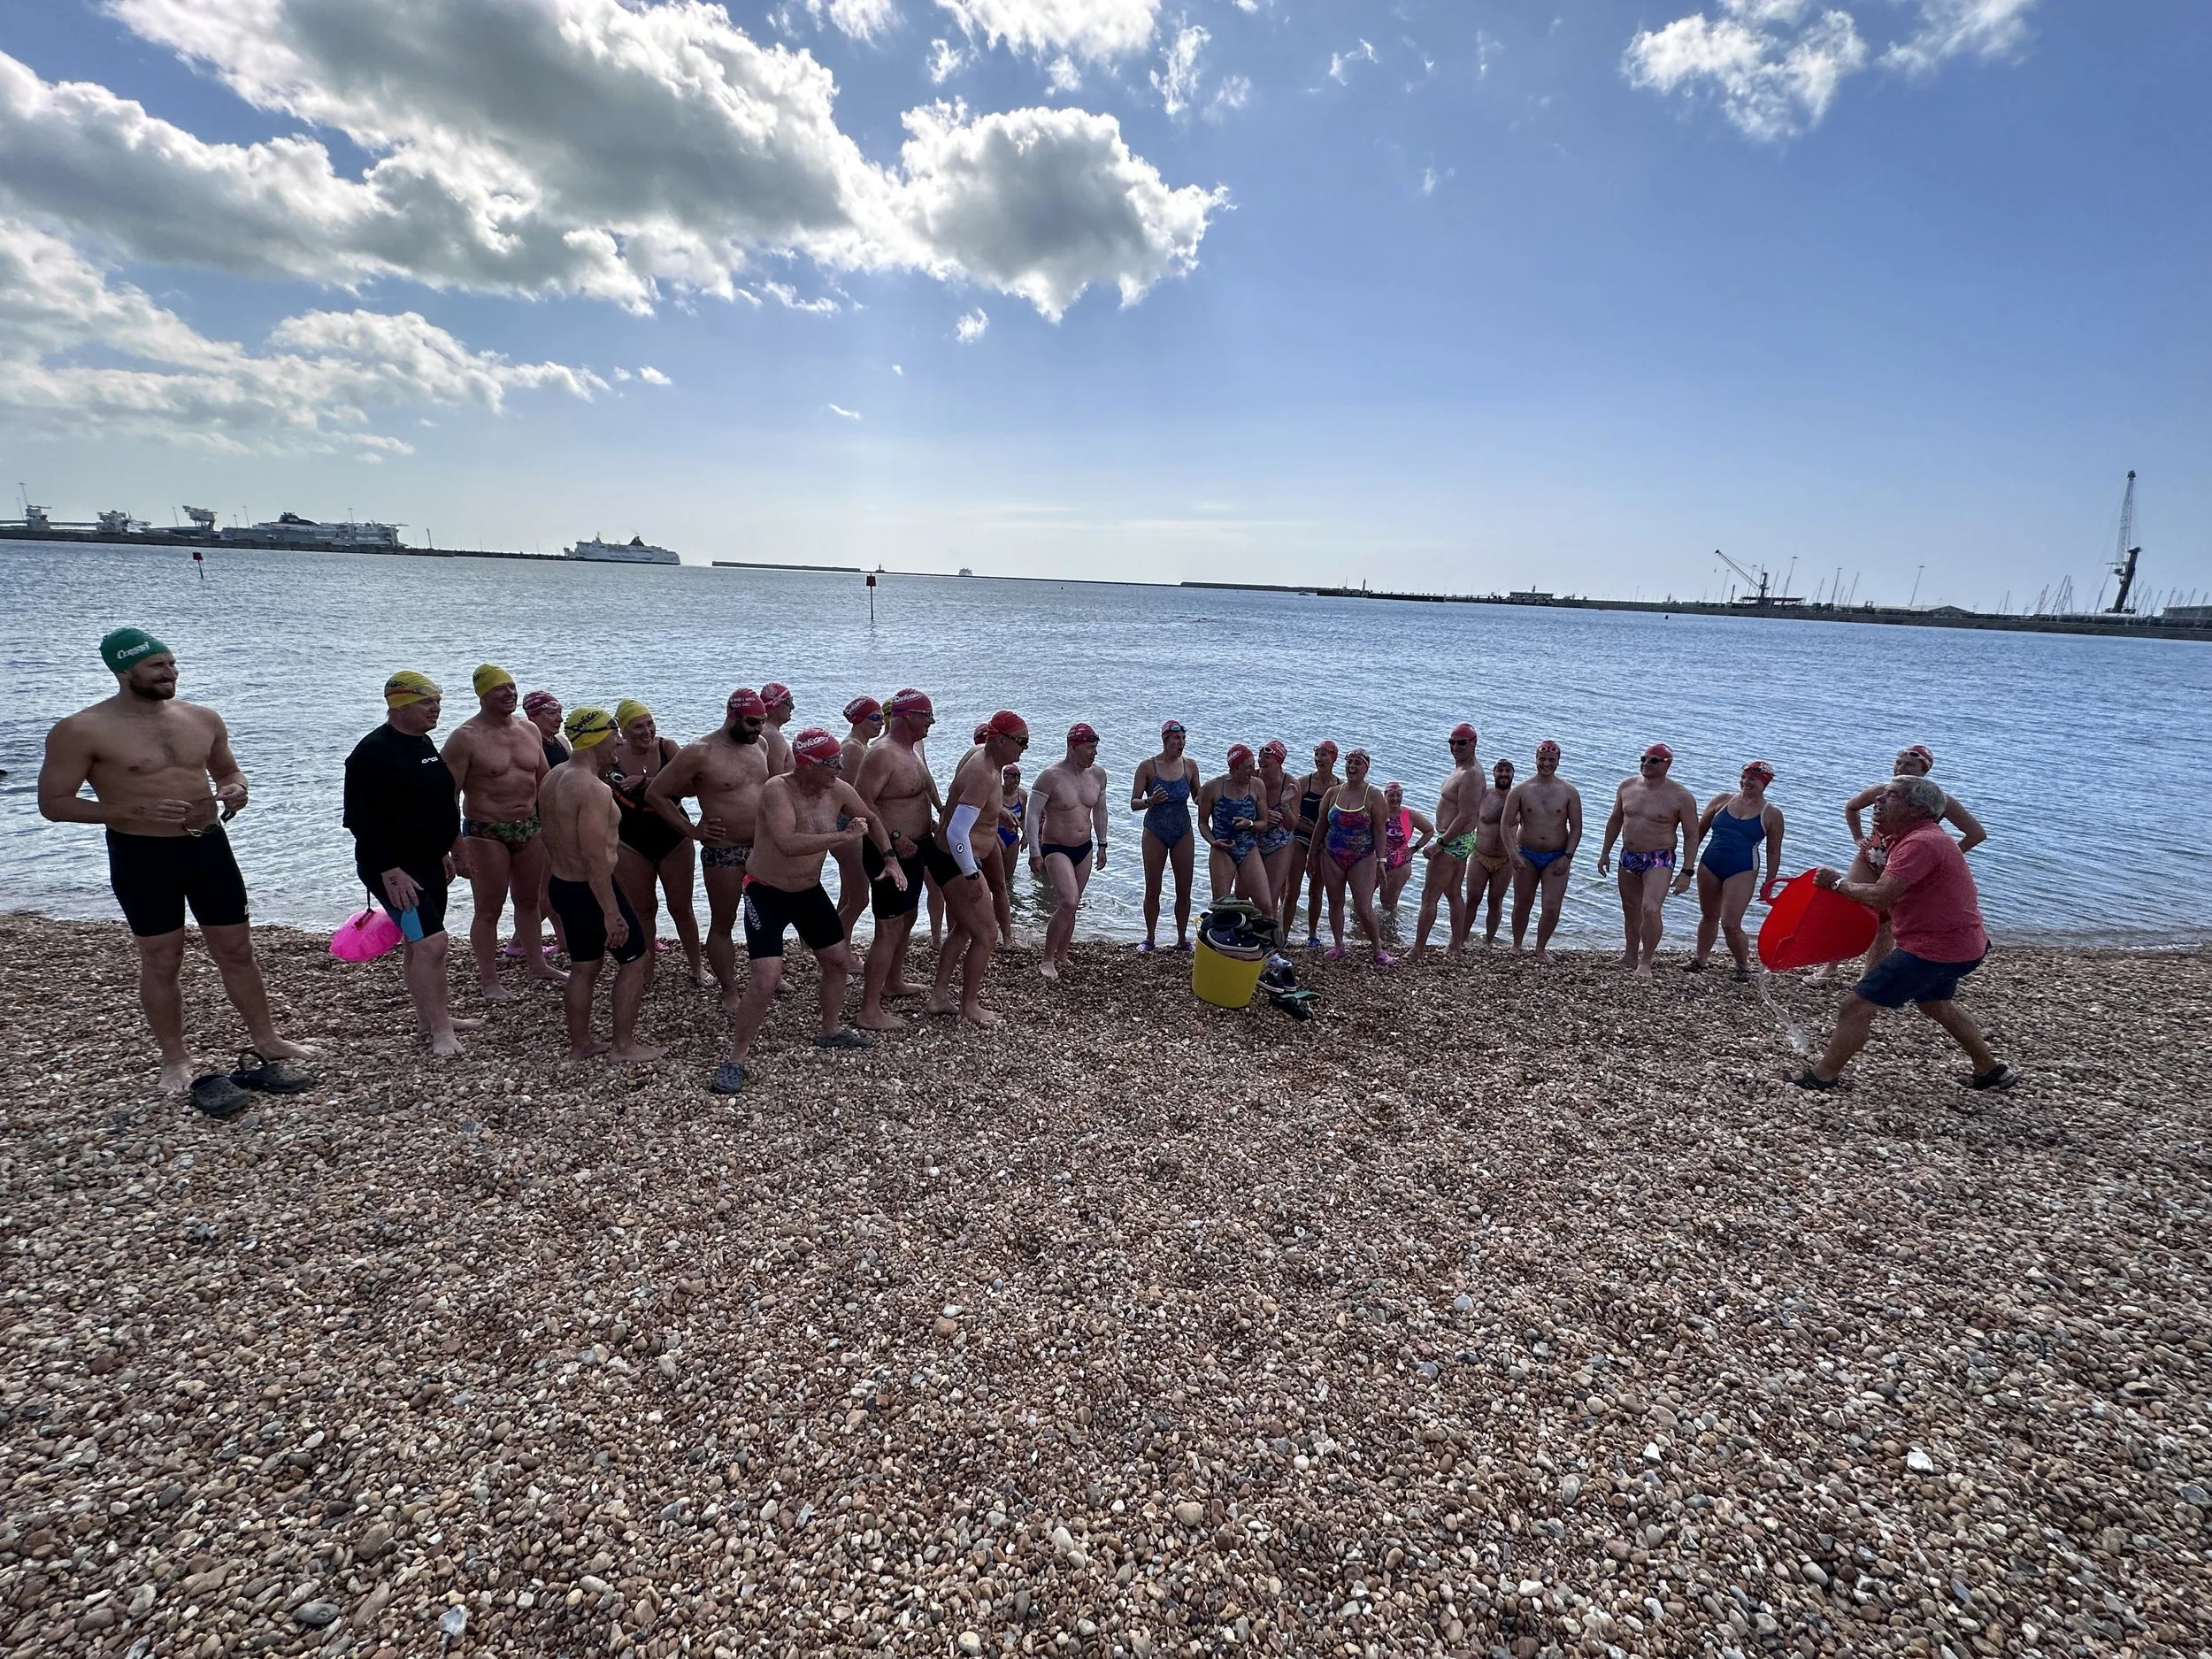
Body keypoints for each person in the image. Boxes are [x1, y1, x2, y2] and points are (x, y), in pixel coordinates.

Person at [38, 627, 312, 1092]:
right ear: (123, 671)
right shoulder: (81, 729)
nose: (170, 673)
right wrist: (132, 810)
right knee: (162, 957)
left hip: (207, 845)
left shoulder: (201, 717)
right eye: (156, 666)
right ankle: (174, 1058)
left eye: (171, 663)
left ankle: (268, 1040)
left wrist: (237, 789)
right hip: (141, 852)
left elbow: (228, 769)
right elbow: (55, 803)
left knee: (237, 950)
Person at [1798, 774, 2016, 1093]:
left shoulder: (1920, 843)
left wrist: (1836, 884)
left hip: (1935, 950)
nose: (1879, 801)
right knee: (1935, 1004)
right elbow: (1889, 903)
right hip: (1963, 944)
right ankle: (1991, 1071)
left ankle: (1823, 1075)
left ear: (1917, 810)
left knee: (1855, 1005)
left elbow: (1880, 896)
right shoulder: (1914, 838)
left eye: (1892, 796)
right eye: (1882, 794)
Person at [711, 727, 879, 1094]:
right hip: (766, 891)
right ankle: (736, 1058)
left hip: (808, 891)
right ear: (808, 764)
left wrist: (892, 859)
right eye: (831, 763)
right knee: (766, 979)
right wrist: (843, 836)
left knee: (836, 960)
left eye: (839, 760)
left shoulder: (838, 790)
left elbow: (870, 817)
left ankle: (831, 1030)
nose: (838, 768)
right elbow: (787, 843)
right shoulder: (777, 790)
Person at [342, 671, 473, 1058]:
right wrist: (390, 871)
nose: (435, 709)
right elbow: (358, 821)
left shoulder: (425, 743)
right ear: (398, 705)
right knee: (433, 943)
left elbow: (440, 801)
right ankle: (441, 1032)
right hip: (394, 870)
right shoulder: (372, 752)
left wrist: (453, 844)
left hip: (429, 861)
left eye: (437, 702)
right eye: (425, 702)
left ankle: (432, 1018)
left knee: (421, 945)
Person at [539, 707, 667, 1063]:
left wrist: (545, 890)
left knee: (584, 966)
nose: (620, 741)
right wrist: (612, 912)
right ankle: (622, 1047)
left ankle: (580, 1046)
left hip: (564, 885)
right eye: (615, 735)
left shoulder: (553, 778)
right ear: (597, 738)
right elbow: (595, 857)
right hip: (592, 890)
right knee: (635, 962)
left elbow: (548, 839)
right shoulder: (593, 789)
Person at [440, 664, 562, 1002]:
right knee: (489, 908)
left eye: (511, 686)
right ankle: (489, 980)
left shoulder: (529, 731)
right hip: (485, 831)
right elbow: (446, 796)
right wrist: (455, 846)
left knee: (529, 901)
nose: (509, 693)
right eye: (500, 688)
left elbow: (545, 782)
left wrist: (559, 826)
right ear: (482, 694)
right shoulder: (465, 738)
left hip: (529, 826)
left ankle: (536, 964)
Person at [645, 688, 771, 1006]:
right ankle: (729, 989)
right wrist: (692, 830)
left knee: (768, 919)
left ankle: (768, 978)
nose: (759, 729)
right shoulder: (700, 752)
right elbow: (657, 793)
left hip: (762, 848)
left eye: (763, 722)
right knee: (723, 922)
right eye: (754, 722)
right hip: (724, 851)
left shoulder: (761, 745)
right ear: (733, 716)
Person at [1829, 743, 1989, 978]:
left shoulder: (1939, 800)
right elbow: (1851, 807)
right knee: (1847, 909)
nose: (1901, 768)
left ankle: (1869, 977)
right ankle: (1829, 966)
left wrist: (1943, 859)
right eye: (1898, 763)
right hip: (1870, 858)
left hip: (1904, 864)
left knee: (1883, 923)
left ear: (1925, 770)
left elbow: (1976, 834)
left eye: (1910, 765)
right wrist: (1858, 838)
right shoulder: (1884, 792)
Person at [854, 689, 958, 1032]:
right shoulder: (881, 755)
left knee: (907, 917)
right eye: (928, 715)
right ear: (908, 717)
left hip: (918, 846)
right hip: (889, 852)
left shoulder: (910, 751)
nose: (932, 722)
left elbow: (919, 795)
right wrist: (895, 839)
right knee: (887, 927)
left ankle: (893, 981)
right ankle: (869, 1010)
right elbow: (861, 804)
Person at [926, 710, 1028, 1026]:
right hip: (957, 861)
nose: (1024, 749)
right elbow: (957, 831)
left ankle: (939, 996)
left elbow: (964, 805)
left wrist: (998, 814)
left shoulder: (981, 757)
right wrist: (972, 875)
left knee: (963, 929)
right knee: (986, 934)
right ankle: (969, 1005)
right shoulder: (984, 773)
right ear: (1000, 741)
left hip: (954, 858)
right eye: (1022, 742)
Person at [608, 698, 705, 987]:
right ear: (623, 731)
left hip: (673, 835)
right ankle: (646, 971)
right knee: (643, 909)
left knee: (681, 908)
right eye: (638, 726)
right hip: (629, 840)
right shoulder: (613, 754)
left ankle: (697, 968)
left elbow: (691, 787)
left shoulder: (667, 748)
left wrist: (649, 783)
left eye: (650, 723)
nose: (646, 730)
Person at [1596, 743, 1700, 974]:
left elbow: (1691, 835)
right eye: (1643, 759)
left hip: (1659, 858)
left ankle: (1646, 961)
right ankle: (1630, 956)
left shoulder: (1681, 796)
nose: (1646, 764)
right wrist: (1605, 853)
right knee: (1630, 908)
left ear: (1667, 764)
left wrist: (1687, 871)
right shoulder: (1627, 786)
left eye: (1653, 760)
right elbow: (1615, 820)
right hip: (1629, 855)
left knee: (1650, 909)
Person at [1025, 722, 1110, 979]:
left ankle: (1063, 954)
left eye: (1096, 748)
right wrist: (1034, 851)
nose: (1094, 753)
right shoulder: (1051, 776)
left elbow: (1100, 810)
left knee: (1073, 905)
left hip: (1084, 848)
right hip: (1056, 847)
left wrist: (1102, 844)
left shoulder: (1098, 775)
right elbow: (1032, 814)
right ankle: (1047, 959)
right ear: (1073, 747)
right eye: (1089, 748)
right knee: (1068, 901)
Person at [1686, 761, 1786, 981]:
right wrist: (1688, 865)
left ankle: (1742, 965)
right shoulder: (1722, 800)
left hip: (1742, 868)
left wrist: (1770, 880)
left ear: (1764, 783)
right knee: (1709, 915)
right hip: (1710, 863)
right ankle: (1700, 959)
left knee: (1730, 923)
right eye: (1744, 777)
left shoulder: (1771, 814)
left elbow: (1773, 851)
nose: (1746, 782)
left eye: (1752, 779)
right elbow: (1698, 833)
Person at [1411, 724, 1485, 960]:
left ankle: (1418, 949)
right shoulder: (1462, 768)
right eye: (1452, 742)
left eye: (1461, 742)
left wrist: (1440, 844)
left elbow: (1465, 815)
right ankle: (1455, 945)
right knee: (1453, 893)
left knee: (1429, 896)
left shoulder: (1471, 774)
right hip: (1459, 839)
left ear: (1473, 743)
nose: (1455, 747)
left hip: (1453, 840)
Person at [1502, 741, 1583, 958]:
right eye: (1542, 759)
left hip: (1556, 855)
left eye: (1551, 761)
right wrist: (1513, 854)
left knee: (1551, 904)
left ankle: (1540, 948)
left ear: (1558, 762)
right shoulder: (1521, 790)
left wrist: (1568, 856)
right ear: (1535, 759)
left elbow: (1576, 828)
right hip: (1526, 853)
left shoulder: (1568, 792)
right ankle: (1517, 944)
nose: (1546, 764)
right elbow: (1506, 824)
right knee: (1522, 902)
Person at [1316, 748, 1394, 966]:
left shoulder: (1374, 795)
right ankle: (1339, 945)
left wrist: (1381, 861)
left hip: (1362, 856)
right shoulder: (1334, 793)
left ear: (1366, 768)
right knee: (1335, 901)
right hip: (1332, 854)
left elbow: (1380, 830)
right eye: (1349, 762)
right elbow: (1321, 825)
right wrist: (1312, 854)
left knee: (1363, 906)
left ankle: (1378, 948)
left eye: (1357, 763)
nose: (1352, 767)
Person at [1130, 719, 1200, 953]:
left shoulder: (1190, 766)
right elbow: (1134, 803)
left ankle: (1182, 939)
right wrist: (1151, 801)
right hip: (1155, 831)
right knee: (1153, 888)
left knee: (1184, 888)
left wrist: (1224, 789)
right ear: (1165, 740)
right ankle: (1150, 938)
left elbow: (1200, 799)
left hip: (1182, 831)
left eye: (1183, 739)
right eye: (1176, 739)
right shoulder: (1148, 767)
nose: (1181, 743)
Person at [514, 688, 570, 961]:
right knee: (545, 887)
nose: (559, 718)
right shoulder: (528, 744)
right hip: (539, 824)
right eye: (551, 713)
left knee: (553, 883)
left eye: (559, 712)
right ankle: (520, 943)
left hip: (560, 821)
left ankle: (559, 940)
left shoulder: (561, 742)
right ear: (532, 716)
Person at [1197, 745, 1274, 914]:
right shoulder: (1213, 787)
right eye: (1248, 767)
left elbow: (1264, 823)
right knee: (1221, 907)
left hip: (1248, 848)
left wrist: (1249, 824)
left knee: (1265, 906)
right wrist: (1213, 841)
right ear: (1234, 768)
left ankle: (1263, 938)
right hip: (1222, 849)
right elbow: (1202, 823)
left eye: (1253, 765)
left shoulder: (1257, 785)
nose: (1253, 771)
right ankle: (1220, 938)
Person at [834, 695, 886, 937]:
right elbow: (852, 796)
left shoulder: (860, 745)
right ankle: (832, 949)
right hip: (848, 826)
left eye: (883, 718)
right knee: (858, 897)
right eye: (875, 718)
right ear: (859, 720)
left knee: (848, 894)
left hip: (849, 825)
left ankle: (832, 945)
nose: (881, 723)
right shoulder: (853, 749)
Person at [1284, 740, 1341, 947]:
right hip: (1300, 839)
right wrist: (1315, 829)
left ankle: (1313, 934)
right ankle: (1284, 934)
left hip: (1324, 844)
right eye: (1317, 755)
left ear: (1333, 758)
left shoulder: (1339, 787)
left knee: (1316, 891)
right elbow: (1292, 816)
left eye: (1324, 755)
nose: (1319, 759)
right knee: (1292, 889)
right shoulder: (1303, 783)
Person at [1468, 757, 1517, 948]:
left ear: (1513, 774)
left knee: (1495, 901)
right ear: (1494, 773)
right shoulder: (1483, 796)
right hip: (1480, 855)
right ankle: (1460, 940)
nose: (1504, 774)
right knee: (1472, 898)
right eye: (1500, 770)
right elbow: (1466, 816)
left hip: (1506, 859)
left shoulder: (1517, 798)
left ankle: (1488, 942)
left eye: (1508, 771)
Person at [1256, 741, 1303, 933]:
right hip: (1253, 838)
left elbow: (1293, 824)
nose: (1261, 760)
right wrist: (1264, 814)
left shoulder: (1290, 784)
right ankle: (1245, 937)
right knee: (1245, 893)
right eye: (1260, 756)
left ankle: (1269, 942)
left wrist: (1284, 807)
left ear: (1279, 761)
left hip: (1280, 842)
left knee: (1271, 896)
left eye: (1267, 757)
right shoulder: (1252, 778)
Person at [1377, 781, 1434, 932]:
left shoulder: (1410, 815)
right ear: (1385, 796)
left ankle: (1389, 933)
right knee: (1361, 899)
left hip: (1399, 864)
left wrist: (1415, 848)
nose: (1395, 799)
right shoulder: (1376, 811)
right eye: (1392, 795)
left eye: (1399, 795)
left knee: (1388, 903)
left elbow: (1429, 830)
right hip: (1374, 861)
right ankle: (1359, 929)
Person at [759, 682, 795, 775]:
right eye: (788, 702)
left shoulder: (763, 730)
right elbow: (775, 780)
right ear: (774, 706)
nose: (792, 707)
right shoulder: (772, 736)